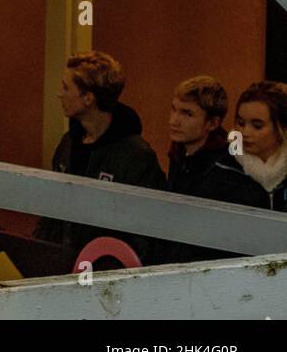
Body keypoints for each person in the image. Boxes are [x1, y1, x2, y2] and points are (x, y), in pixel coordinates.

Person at [35, 51, 166, 258]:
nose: (59, 93)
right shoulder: (68, 144)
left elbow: (147, 230)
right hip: (62, 263)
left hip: (106, 268)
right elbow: (53, 211)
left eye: (66, 87)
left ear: (88, 98)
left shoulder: (136, 157)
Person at [157, 76, 264, 263]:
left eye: (187, 114)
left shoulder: (229, 169)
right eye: (173, 109)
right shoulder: (179, 154)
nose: (174, 120)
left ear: (213, 123)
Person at [229, 80, 287, 210]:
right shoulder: (222, 166)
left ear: (281, 128)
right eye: (240, 123)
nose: (244, 132)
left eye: (257, 125)